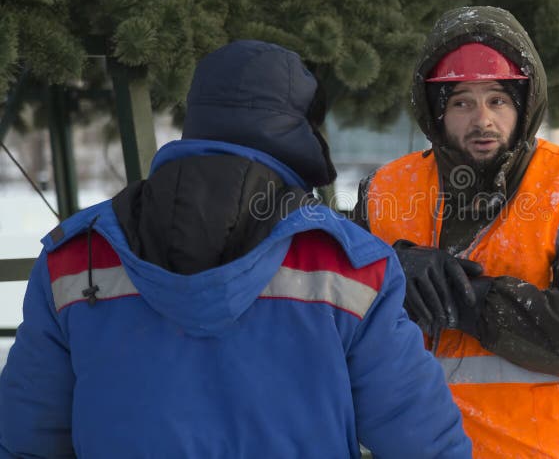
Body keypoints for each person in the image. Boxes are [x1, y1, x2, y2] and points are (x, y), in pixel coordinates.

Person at [0, 40, 471, 458]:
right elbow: (424, 443)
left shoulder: (76, 258)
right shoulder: (350, 266)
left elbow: (26, 437)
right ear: (299, 131)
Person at [353, 7, 559, 458]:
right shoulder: (383, 193)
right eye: (462, 101)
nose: (482, 119)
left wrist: (468, 298)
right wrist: (392, 272)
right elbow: (333, 312)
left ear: (523, 105)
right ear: (436, 110)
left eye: (498, 100)